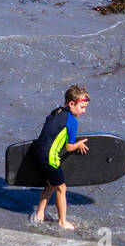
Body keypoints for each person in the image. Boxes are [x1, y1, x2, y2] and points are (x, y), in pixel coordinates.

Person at [28, 84, 91, 230]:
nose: (84, 111)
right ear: (71, 104)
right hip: (50, 158)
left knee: (51, 184)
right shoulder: (72, 121)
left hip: (38, 153)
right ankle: (62, 222)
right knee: (62, 188)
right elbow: (69, 147)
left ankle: (39, 214)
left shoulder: (57, 111)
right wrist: (79, 144)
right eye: (82, 107)